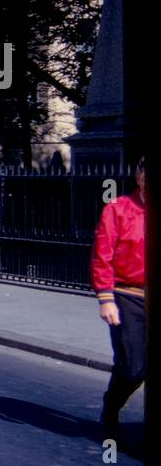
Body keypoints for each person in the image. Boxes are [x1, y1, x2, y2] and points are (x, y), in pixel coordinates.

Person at [92, 157, 146, 441]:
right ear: (140, 176)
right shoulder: (118, 210)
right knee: (133, 368)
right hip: (128, 296)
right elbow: (103, 255)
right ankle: (111, 408)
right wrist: (105, 297)